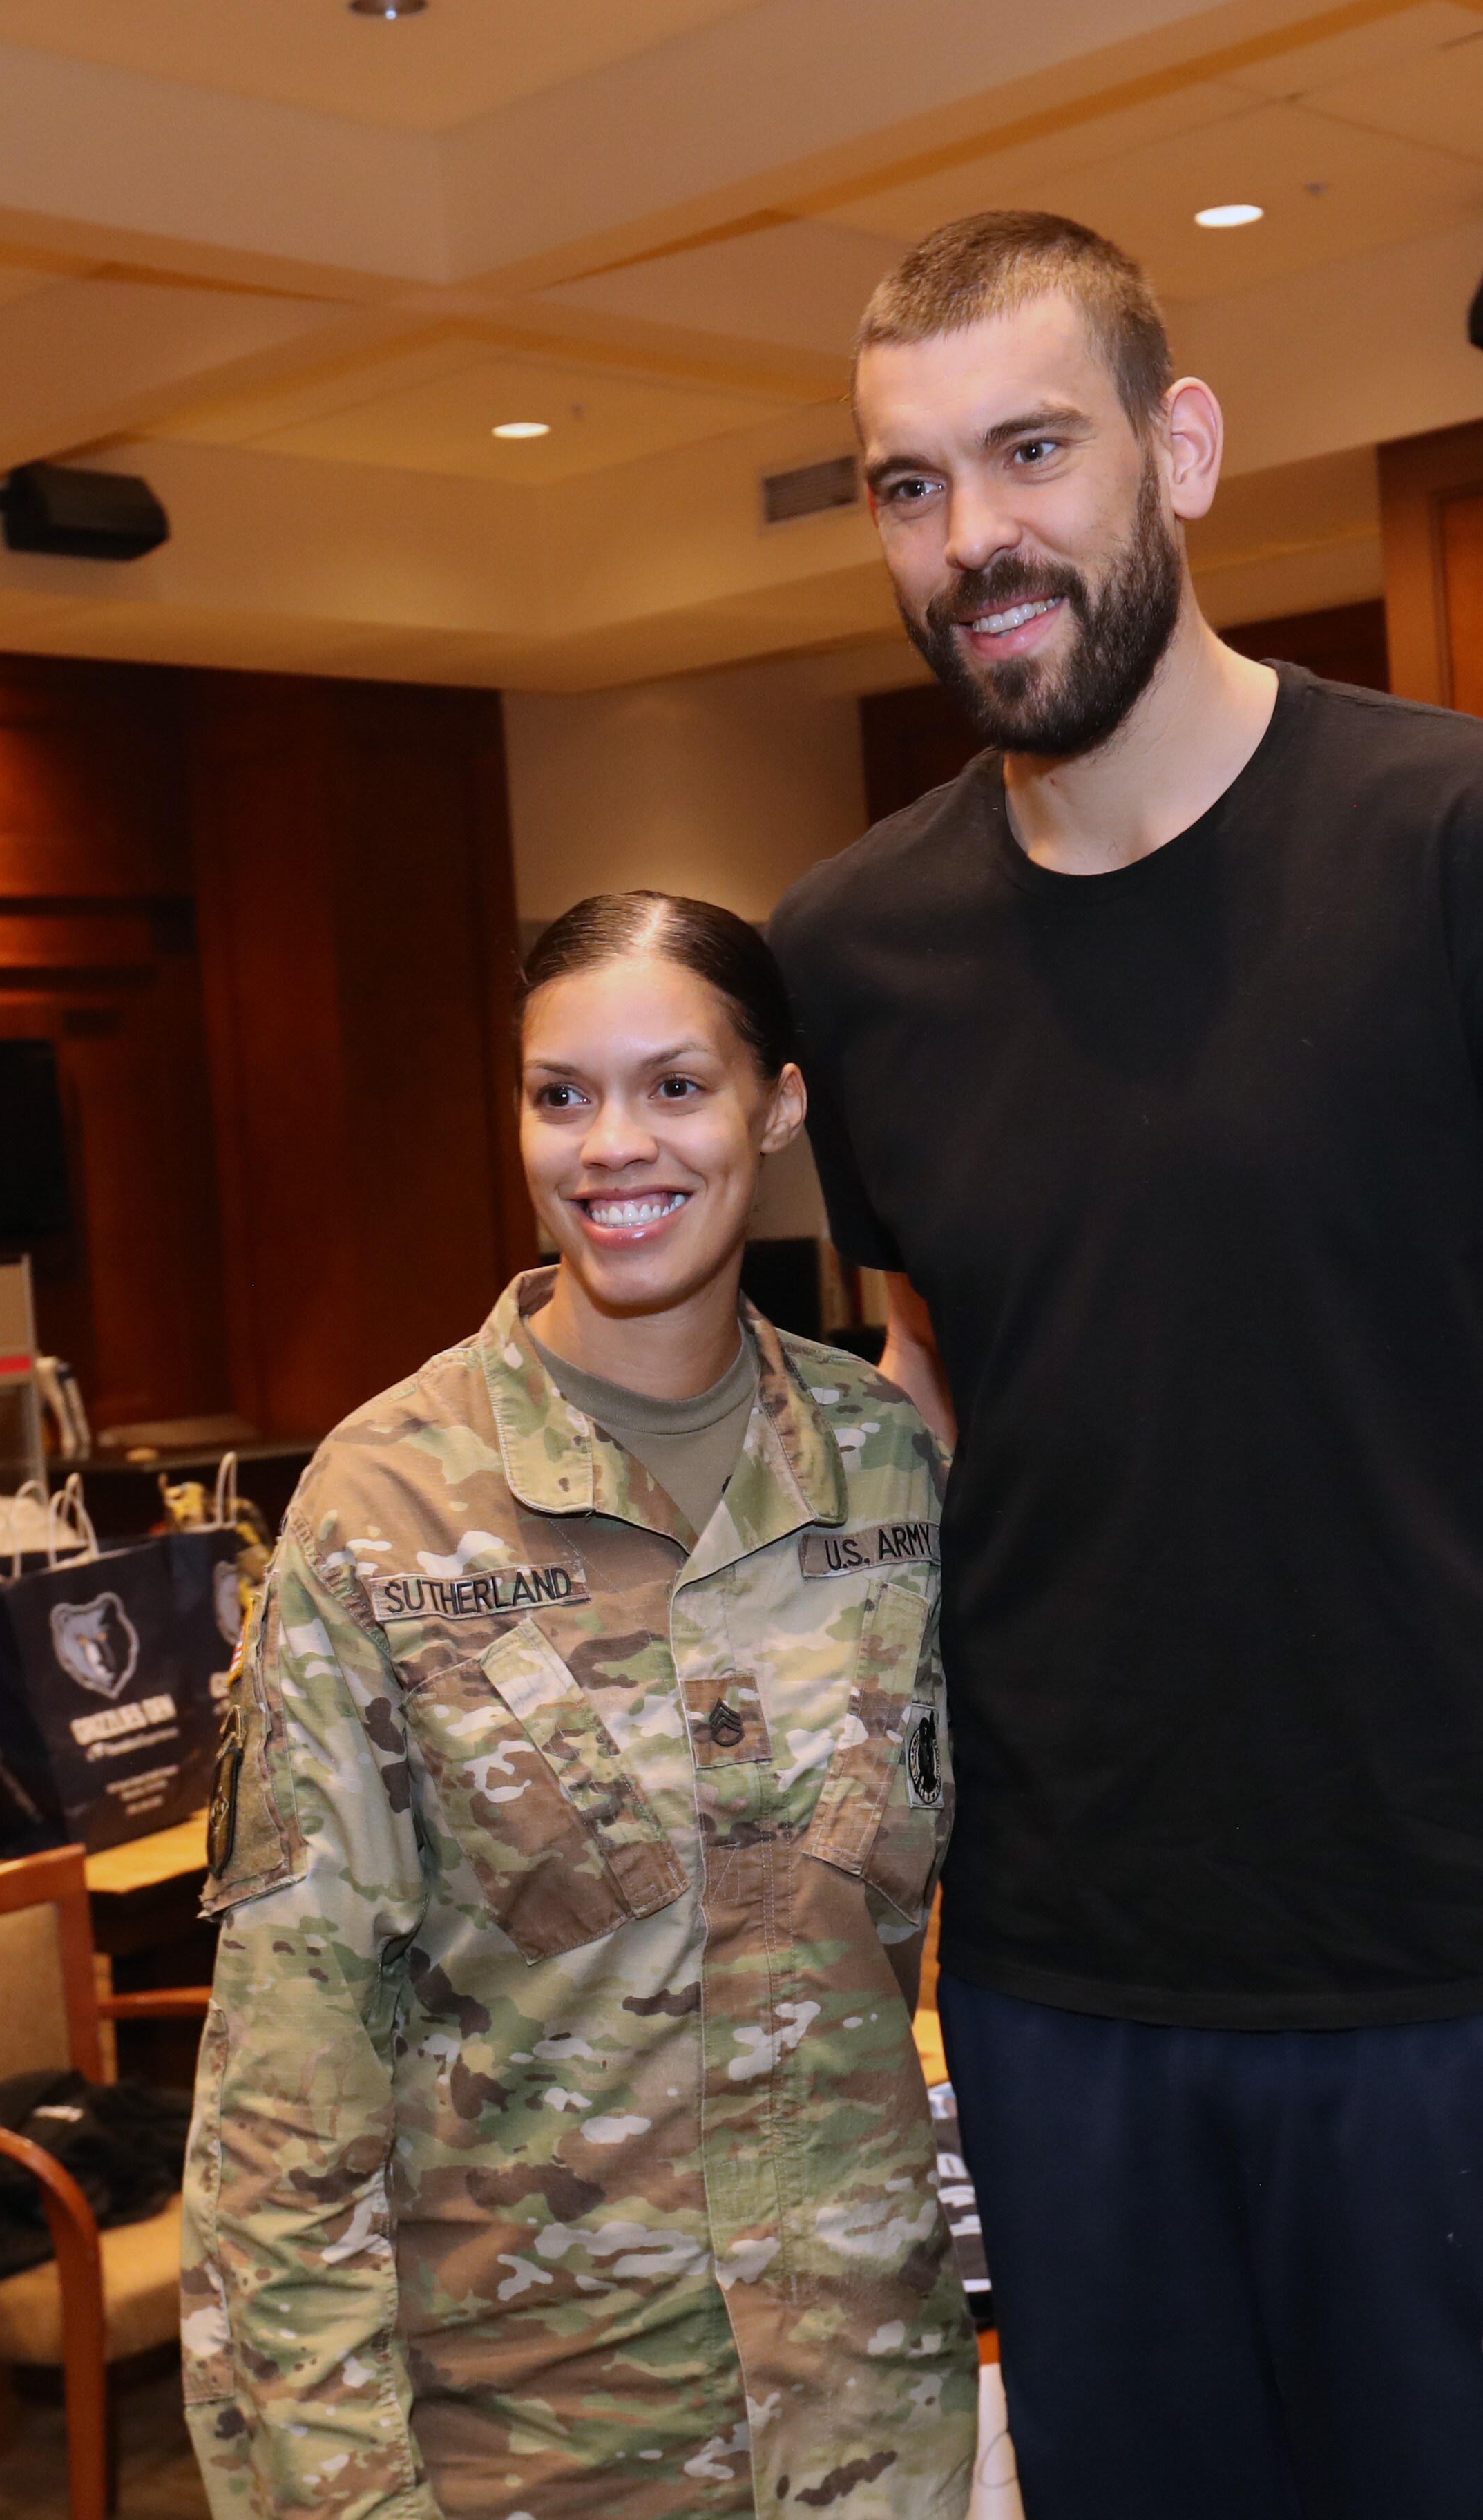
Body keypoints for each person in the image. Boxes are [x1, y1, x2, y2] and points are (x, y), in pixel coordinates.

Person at [767, 213, 1483, 2518]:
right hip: (1059, 2016)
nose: (973, 535)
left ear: (1183, 448)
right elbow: (956, 1407)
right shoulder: (850, 948)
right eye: (910, 483)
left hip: (1467, 2009)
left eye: (1033, 451)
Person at [181, 892, 975, 2520]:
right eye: (562, 1094)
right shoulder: (386, 1508)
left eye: (675, 1086)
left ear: (779, 1106)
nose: (614, 1146)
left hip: (870, 2430)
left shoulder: (888, 1475)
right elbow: (288, 2084)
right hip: (536, 2446)